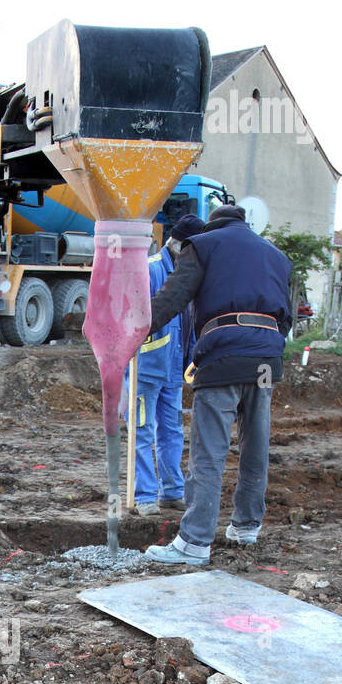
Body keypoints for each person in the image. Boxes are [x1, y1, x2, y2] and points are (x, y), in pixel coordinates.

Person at [139, 204, 293, 566]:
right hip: (266, 360)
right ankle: (246, 526)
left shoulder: (202, 245)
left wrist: (135, 331)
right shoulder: (276, 255)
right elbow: (286, 315)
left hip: (223, 355)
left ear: (211, 226)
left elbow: (173, 298)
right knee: (255, 446)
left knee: (209, 452)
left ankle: (194, 543)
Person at [126, 213, 205, 516]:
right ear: (182, 247)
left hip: (173, 369)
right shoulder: (151, 271)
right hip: (147, 367)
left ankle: (171, 492)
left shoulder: (188, 274)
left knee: (171, 430)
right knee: (143, 429)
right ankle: (144, 495)